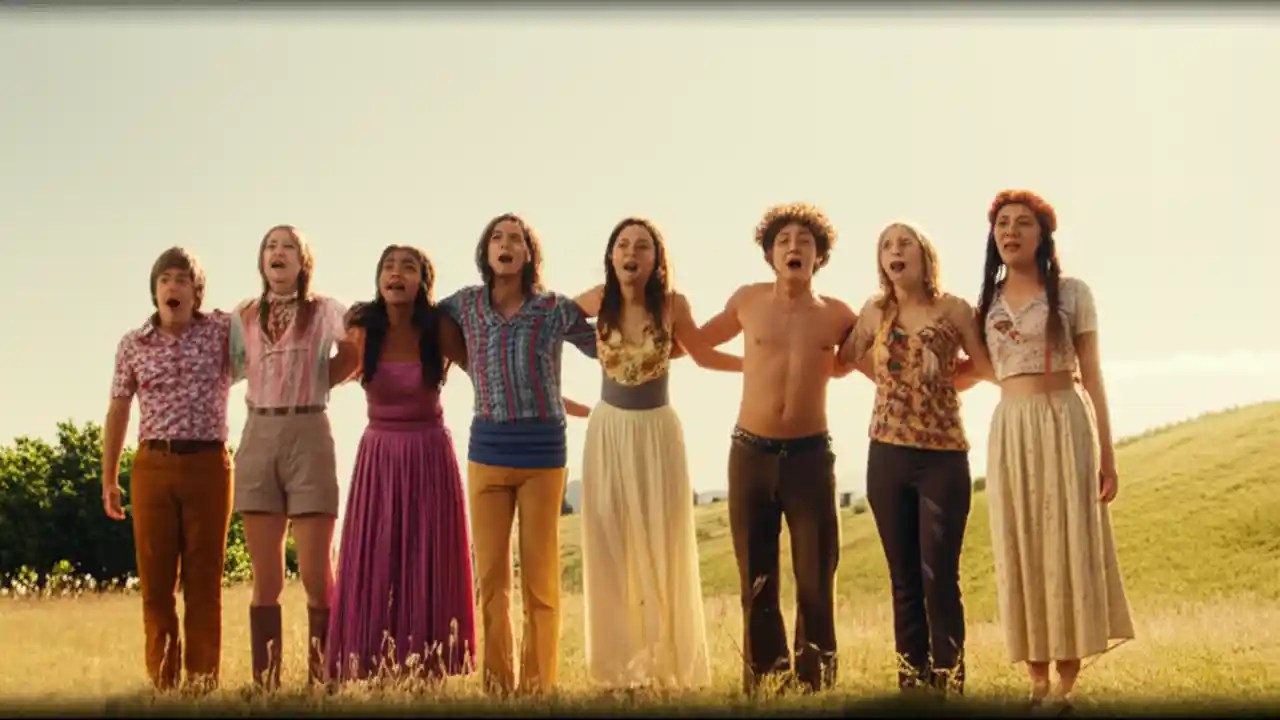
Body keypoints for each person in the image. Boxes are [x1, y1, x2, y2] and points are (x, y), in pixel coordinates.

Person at [964, 189, 1135, 709]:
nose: (1011, 232)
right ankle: (1036, 679)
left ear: (1043, 235)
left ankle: (1065, 681)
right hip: (1012, 427)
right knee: (1021, 543)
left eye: (1023, 224)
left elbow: (1095, 376)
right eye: (1002, 225)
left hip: (1067, 421)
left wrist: (1108, 453)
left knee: (1069, 543)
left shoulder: (1073, 293)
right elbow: (968, 372)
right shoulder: (984, 304)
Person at [572, 217, 742, 691]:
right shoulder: (592, 301)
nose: (632, 252)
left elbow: (703, 354)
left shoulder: (672, 305)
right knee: (610, 543)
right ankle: (618, 670)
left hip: (657, 434)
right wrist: (564, 398)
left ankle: (666, 665)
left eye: (642, 246)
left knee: (662, 540)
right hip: (607, 431)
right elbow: (545, 331)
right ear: (611, 256)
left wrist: (759, 364)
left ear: (655, 259)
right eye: (623, 244)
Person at [698, 202, 858, 694]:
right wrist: (749, 366)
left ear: (819, 256)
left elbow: (854, 363)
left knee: (815, 574)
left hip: (810, 456)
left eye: (805, 242)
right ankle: (766, 679)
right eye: (784, 241)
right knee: (758, 578)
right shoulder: (748, 301)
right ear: (770, 253)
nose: (794, 248)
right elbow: (700, 348)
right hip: (750, 453)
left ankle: (815, 682)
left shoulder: (836, 314)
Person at [436, 212, 596, 695]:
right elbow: (416, 318)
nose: (506, 244)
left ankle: (538, 686)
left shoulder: (553, 309)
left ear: (530, 254)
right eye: (497, 238)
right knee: (491, 579)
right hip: (485, 450)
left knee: (540, 580)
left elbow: (609, 346)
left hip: (544, 454)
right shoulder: (462, 305)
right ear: (486, 251)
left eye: (516, 239)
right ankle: (498, 685)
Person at [838, 221, 994, 695]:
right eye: (886, 245)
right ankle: (912, 683)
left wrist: (942, 380)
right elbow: (846, 358)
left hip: (943, 456)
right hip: (887, 454)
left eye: (904, 242)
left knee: (938, 576)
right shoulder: (875, 310)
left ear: (924, 255)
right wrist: (891, 384)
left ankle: (949, 682)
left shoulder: (955, 309)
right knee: (903, 578)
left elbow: (983, 367)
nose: (894, 250)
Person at [323, 245, 477, 683]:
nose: (396, 274)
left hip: (430, 452)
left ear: (422, 282)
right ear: (378, 279)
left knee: (426, 556)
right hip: (379, 456)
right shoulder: (362, 326)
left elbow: (482, 372)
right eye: (388, 267)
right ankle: (371, 664)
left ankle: (428, 666)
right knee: (377, 556)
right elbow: (327, 376)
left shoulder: (438, 328)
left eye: (408, 268)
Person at [228, 224, 357, 689]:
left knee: (317, 572)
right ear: (261, 260)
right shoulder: (240, 315)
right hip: (258, 432)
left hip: (310, 431)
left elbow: (356, 343)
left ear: (303, 262)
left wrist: (326, 378)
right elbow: (221, 368)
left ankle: (324, 680)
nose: (278, 253)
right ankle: (267, 685)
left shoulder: (323, 310)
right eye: (270, 246)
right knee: (266, 577)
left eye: (288, 247)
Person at [101, 247, 235, 693]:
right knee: (156, 584)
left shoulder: (220, 331)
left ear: (197, 293)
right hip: (152, 465)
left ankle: (202, 684)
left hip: (209, 465)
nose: (172, 287)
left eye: (181, 280)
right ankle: (163, 684)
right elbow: (118, 408)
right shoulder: (133, 343)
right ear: (154, 290)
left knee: (204, 581)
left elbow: (262, 328)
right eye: (165, 280)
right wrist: (109, 477)